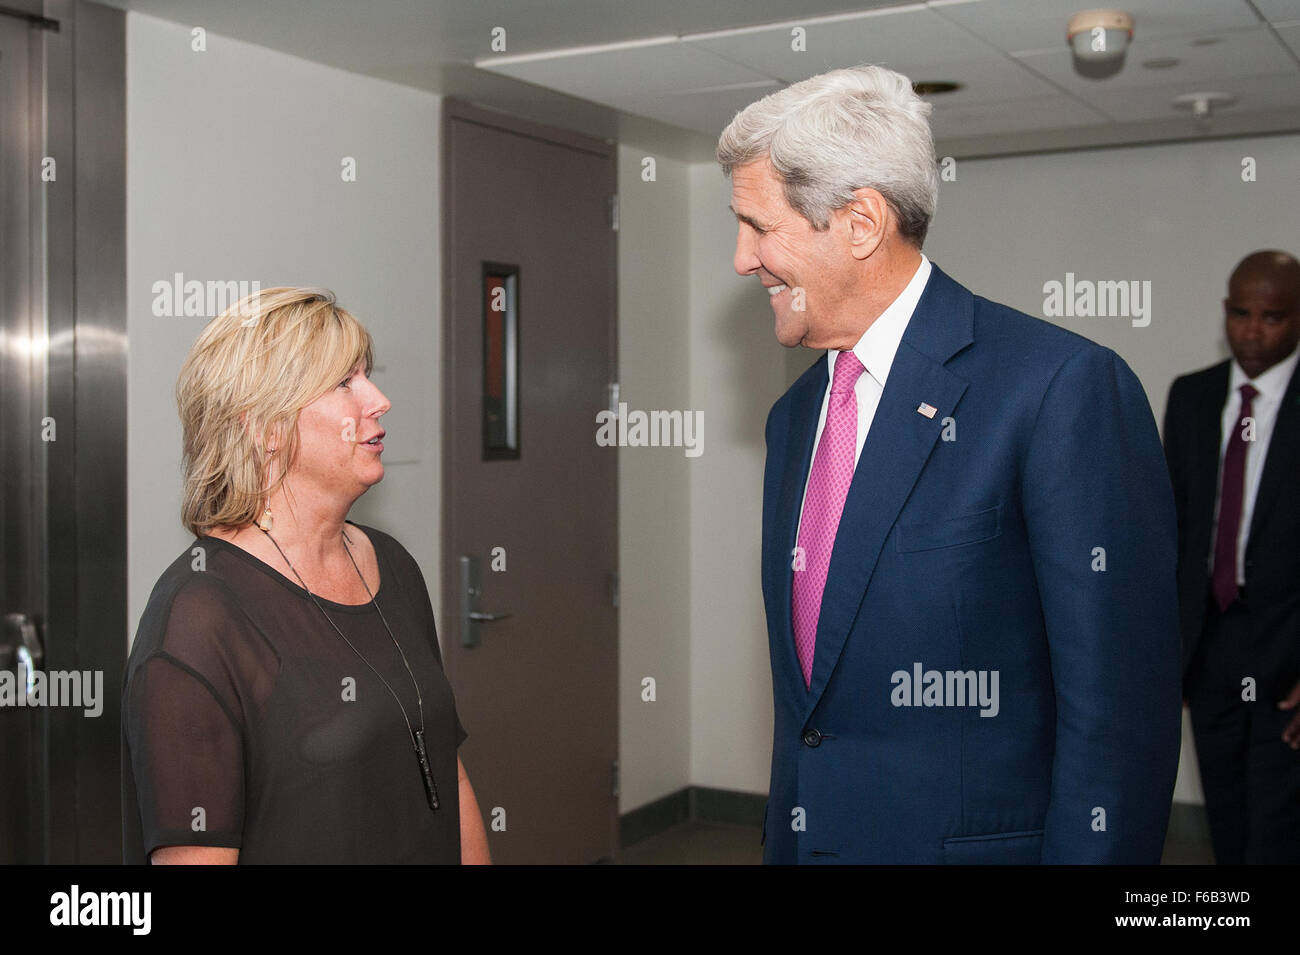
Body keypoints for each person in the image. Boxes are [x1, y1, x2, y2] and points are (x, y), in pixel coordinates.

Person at [718, 64, 1181, 863]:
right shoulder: (794, 418)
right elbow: (814, 707)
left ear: (860, 222)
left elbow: (1118, 716)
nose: (740, 258)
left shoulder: (1058, 388)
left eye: (759, 225)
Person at [121, 287, 490, 864]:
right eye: (345, 382)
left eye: (367, 375)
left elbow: (445, 765)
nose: (379, 400)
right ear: (264, 428)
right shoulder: (199, 617)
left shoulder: (390, 564)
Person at [1163, 250, 1300, 864]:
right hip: (1208, 648)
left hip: (1290, 653)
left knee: (1278, 834)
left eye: (1271, 316)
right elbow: (1174, 529)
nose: (1251, 329)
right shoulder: (1191, 397)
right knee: (1226, 828)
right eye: (1241, 313)